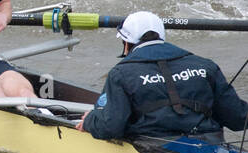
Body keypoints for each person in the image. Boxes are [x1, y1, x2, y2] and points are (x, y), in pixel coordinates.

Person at [79, 11, 248, 142]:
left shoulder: (120, 75)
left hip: (155, 148)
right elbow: (238, 118)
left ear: (126, 44)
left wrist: (90, 121)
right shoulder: (205, 66)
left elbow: (110, 128)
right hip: (211, 145)